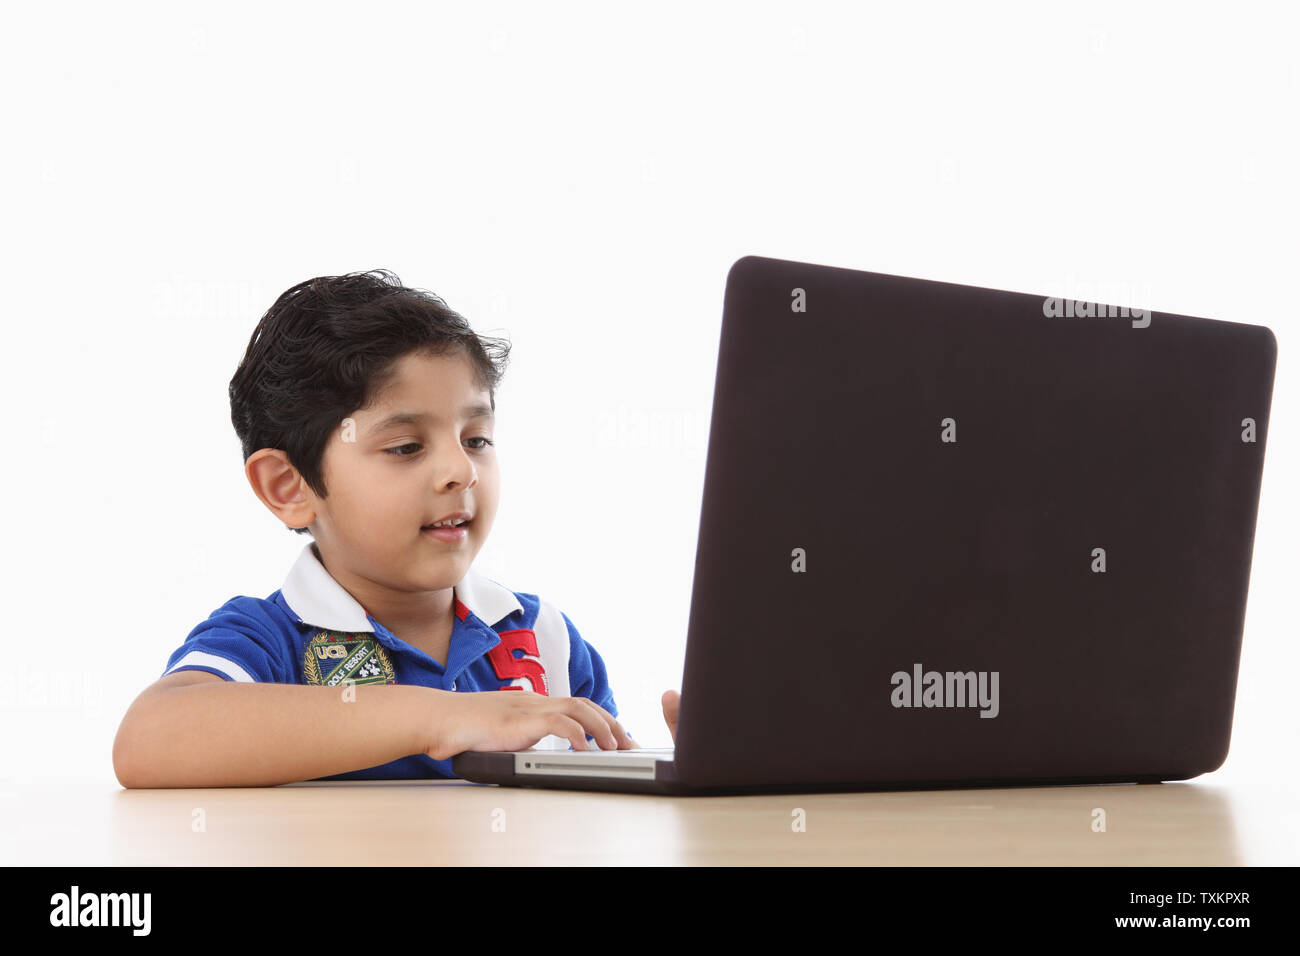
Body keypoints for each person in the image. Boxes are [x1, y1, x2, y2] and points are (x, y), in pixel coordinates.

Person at [113, 269, 681, 787]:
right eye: (407, 447)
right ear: (290, 487)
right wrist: (443, 717)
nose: (460, 470)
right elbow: (151, 739)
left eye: (476, 439)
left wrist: (691, 779)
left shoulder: (543, 637)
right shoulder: (269, 640)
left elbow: (601, 817)